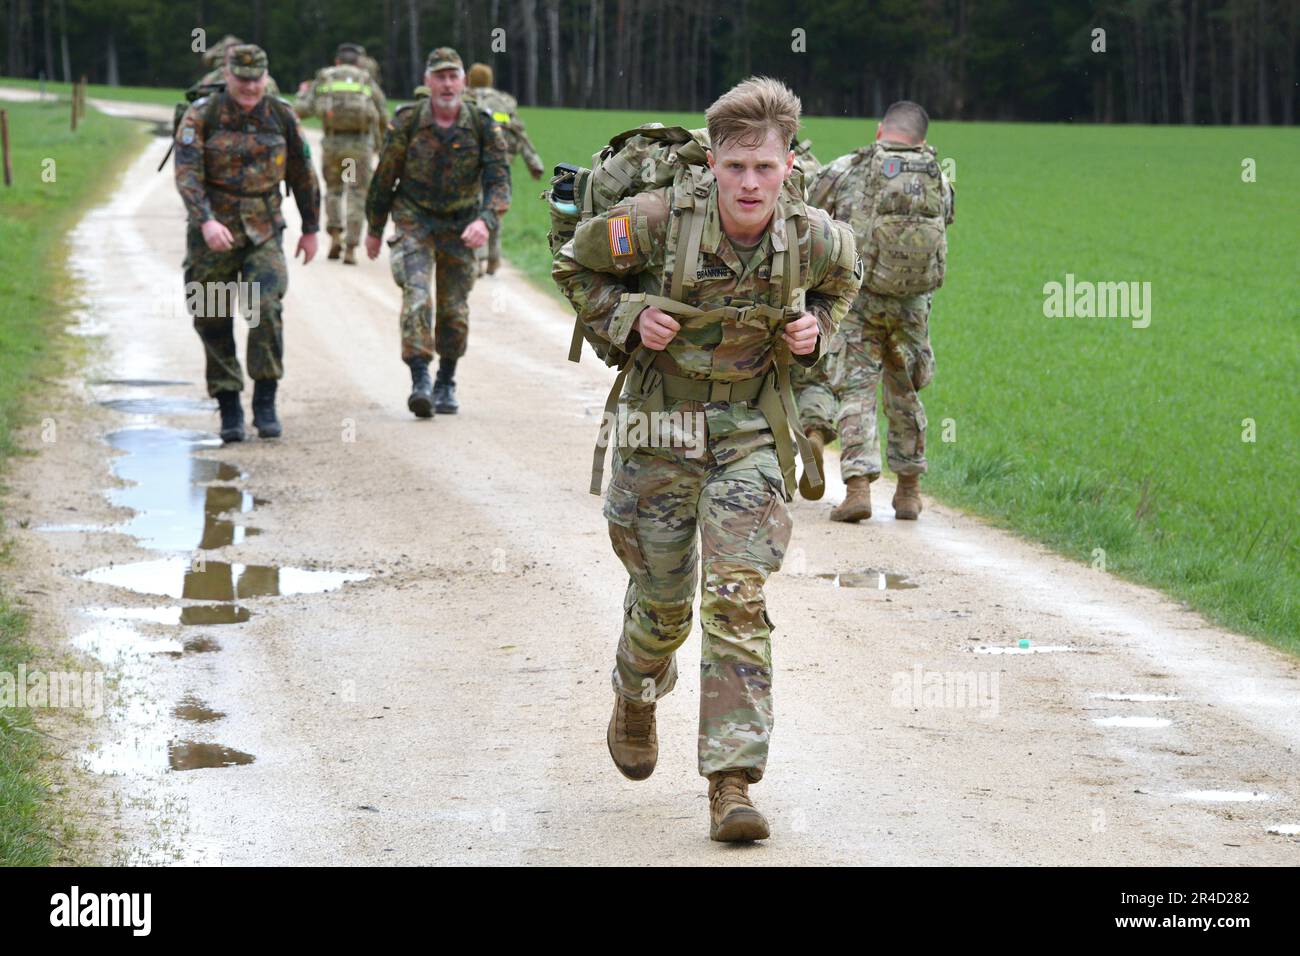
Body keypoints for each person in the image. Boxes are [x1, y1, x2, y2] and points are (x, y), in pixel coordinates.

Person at [552, 77, 861, 841]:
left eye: (765, 167)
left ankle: (732, 783)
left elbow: (843, 287)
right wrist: (627, 312)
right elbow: (575, 265)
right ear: (714, 164)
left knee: (736, 599)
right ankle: (635, 688)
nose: (750, 183)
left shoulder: (816, 236)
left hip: (750, 433)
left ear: (791, 164)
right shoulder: (655, 220)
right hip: (659, 429)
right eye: (735, 168)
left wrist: (816, 330)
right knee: (662, 608)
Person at [809, 100, 955, 521]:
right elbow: (943, 226)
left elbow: (812, 213)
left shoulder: (848, 168)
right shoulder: (938, 177)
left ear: (879, 131)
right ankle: (909, 490)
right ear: (922, 140)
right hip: (912, 305)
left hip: (859, 296)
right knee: (904, 390)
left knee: (856, 388)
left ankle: (857, 488)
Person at [174, 44, 321, 442]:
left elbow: (303, 173)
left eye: (256, 79)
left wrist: (311, 227)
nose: (250, 87)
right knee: (212, 315)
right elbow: (187, 175)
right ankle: (228, 405)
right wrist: (205, 222)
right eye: (242, 79)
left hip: (263, 230)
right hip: (213, 232)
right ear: (228, 74)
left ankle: (266, 400)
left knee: (265, 308)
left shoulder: (281, 115)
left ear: (265, 77)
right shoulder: (202, 114)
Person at [364, 47, 511, 418]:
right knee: (416, 298)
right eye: (439, 77)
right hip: (415, 220)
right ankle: (420, 380)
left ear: (463, 82)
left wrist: (485, 221)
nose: (447, 84)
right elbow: (385, 178)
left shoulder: (482, 125)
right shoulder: (408, 122)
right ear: (427, 82)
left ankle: (446, 379)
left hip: (463, 225)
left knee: (453, 309)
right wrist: (374, 228)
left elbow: (499, 185)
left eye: (453, 76)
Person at [295, 42, 387, 264]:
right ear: (358, 62)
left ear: (337, 61)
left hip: (334, 144)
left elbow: (303, 110)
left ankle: (335, 233)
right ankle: (351, 247)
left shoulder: (326, 77)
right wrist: (380, 143)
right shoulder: (365, 79)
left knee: (335, 190)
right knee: (356, 192)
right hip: (358, 146)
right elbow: (382, 113)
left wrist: (302, 94)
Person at [463, 62, 544, 275]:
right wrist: (534, 163)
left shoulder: (465, 98)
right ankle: (494, 258)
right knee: (496, 205)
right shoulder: (504, 102)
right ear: (489, 80)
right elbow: (519, 133)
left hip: (473, 160)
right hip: (502, 160)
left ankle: (477, 258)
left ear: (470, 79)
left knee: (477, 205)